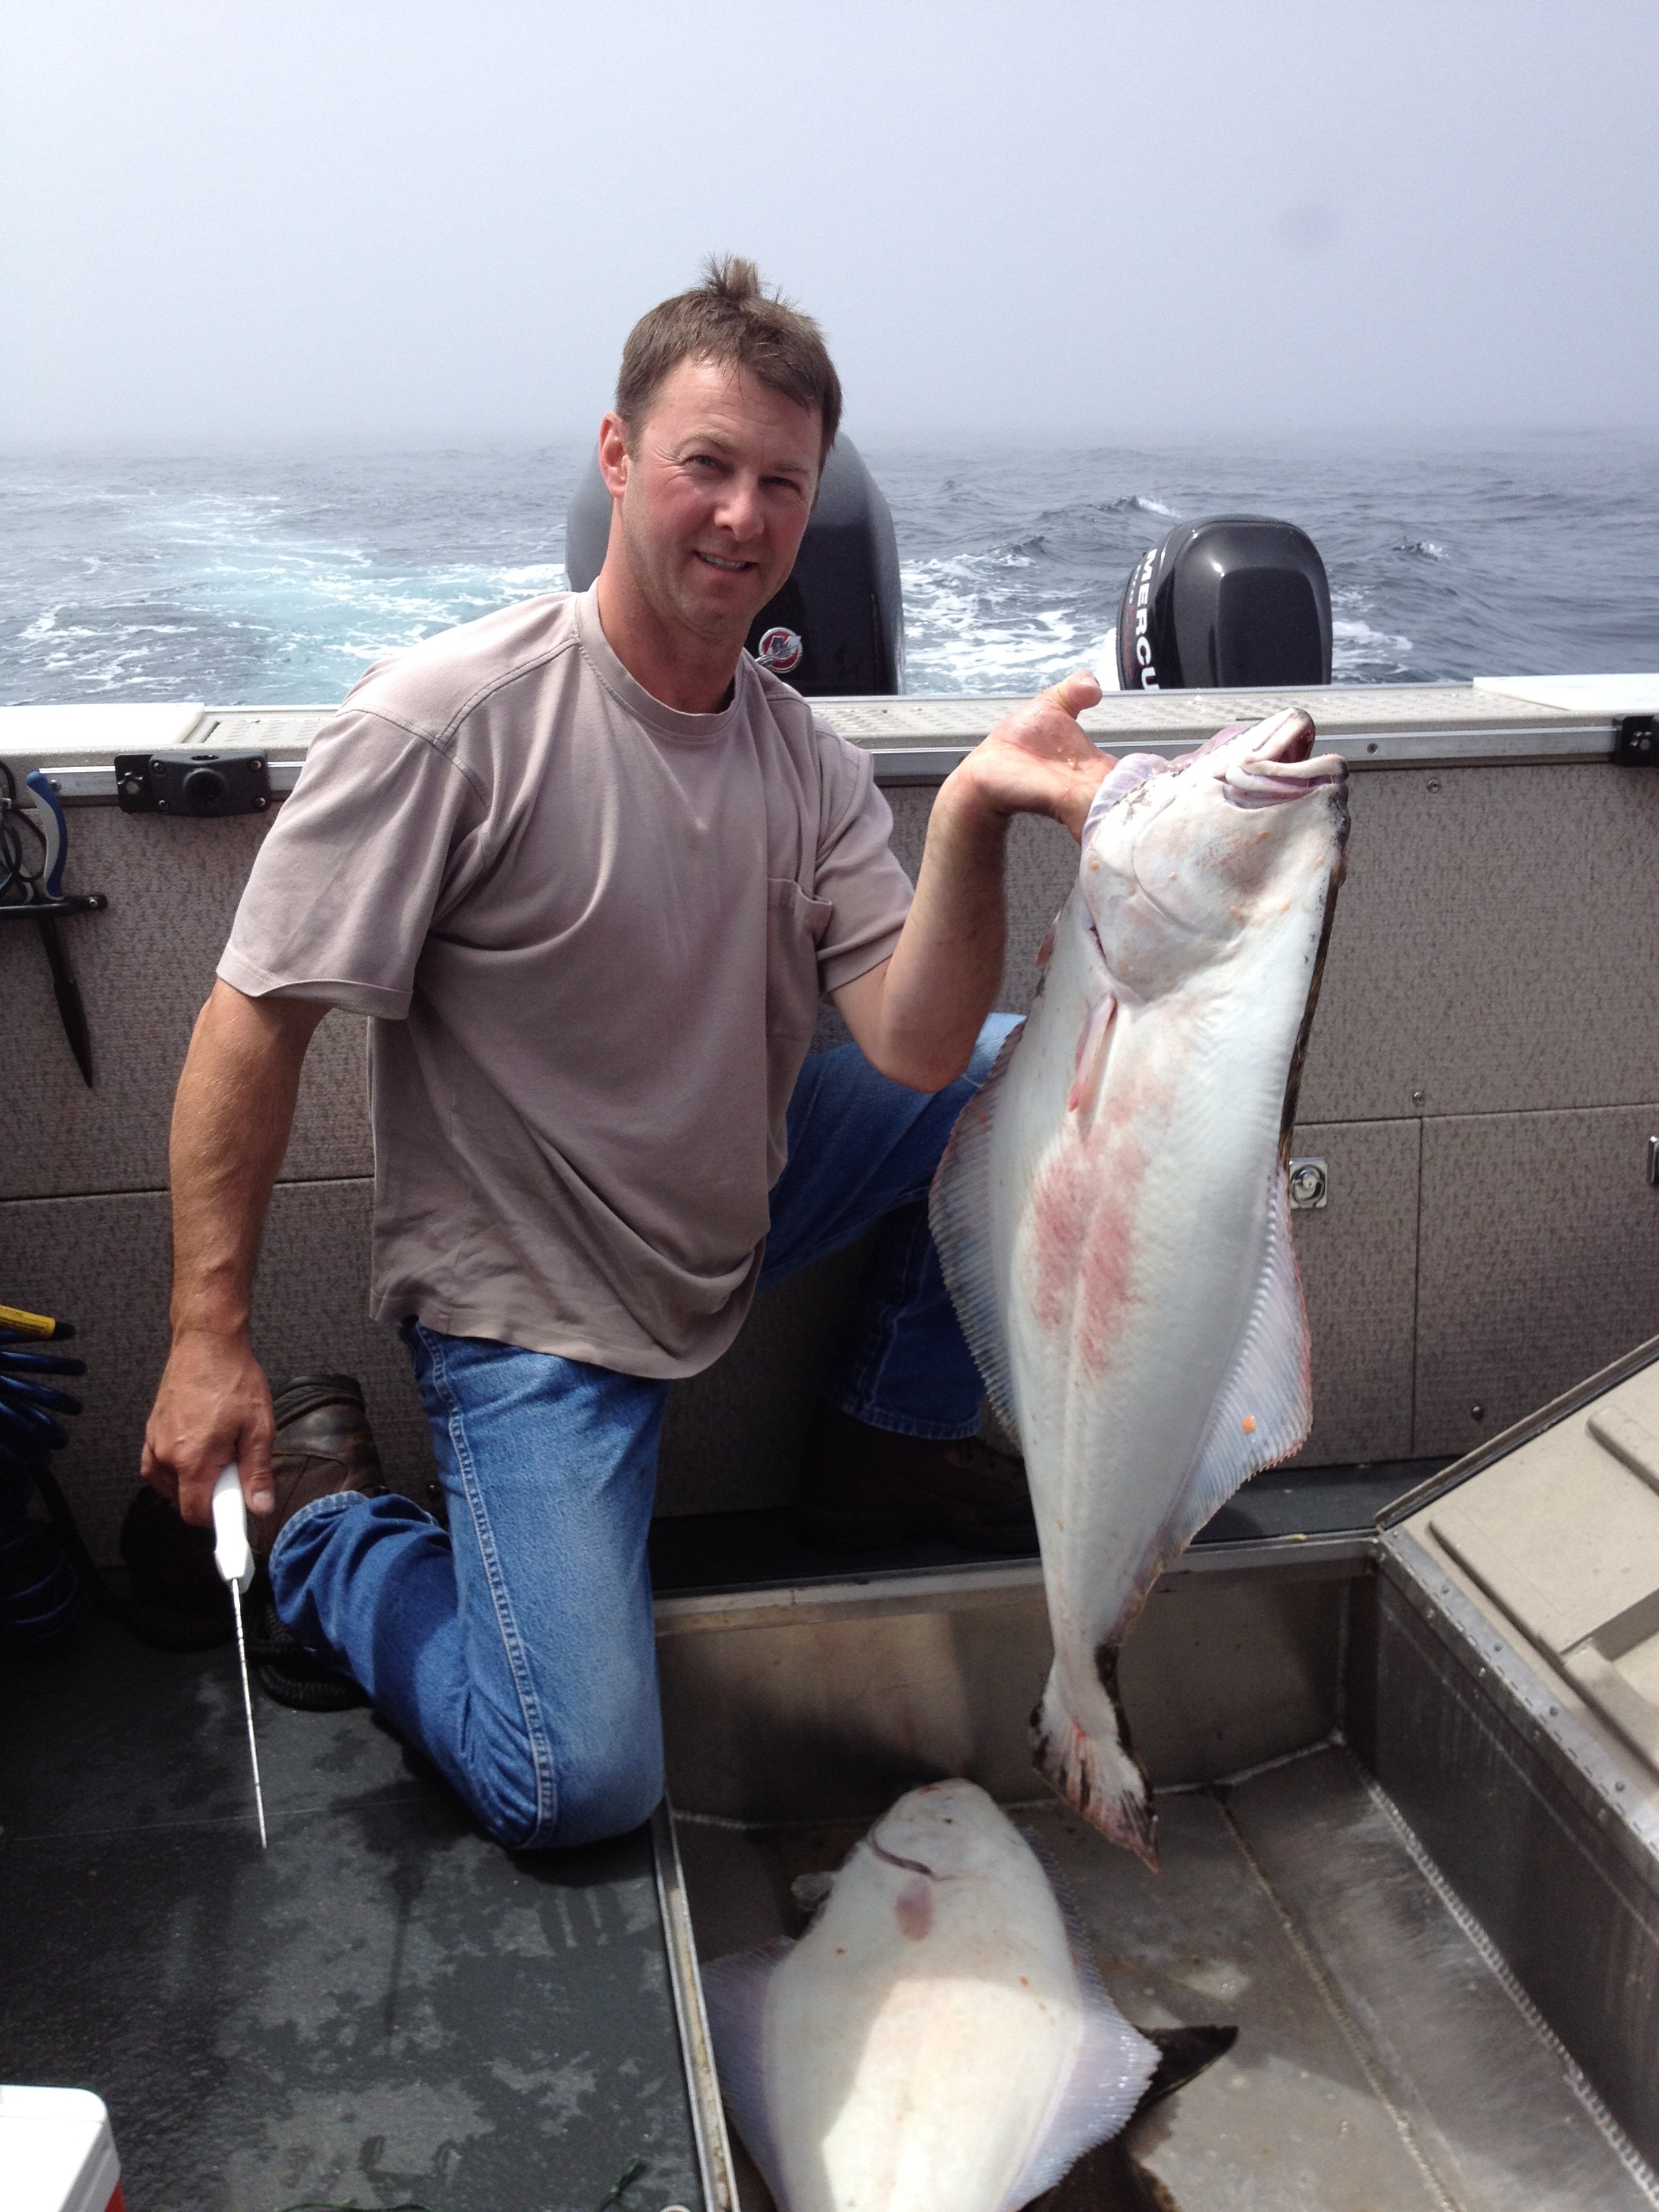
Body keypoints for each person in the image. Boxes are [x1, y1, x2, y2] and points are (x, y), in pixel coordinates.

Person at [140, 258, 1111, 1850]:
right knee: (574, 1784)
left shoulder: (801, 756)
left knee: (1022, 1072)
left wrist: (978, 819)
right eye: (704, 467)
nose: (740, 516)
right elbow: (253, 1016)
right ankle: (333, 1537)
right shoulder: (451, 721)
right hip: (533, 1311)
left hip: (729, 1202)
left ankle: (887, 1445)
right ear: (616, 460)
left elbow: (919, 1049)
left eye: (780, 484)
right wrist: (204, 1337)